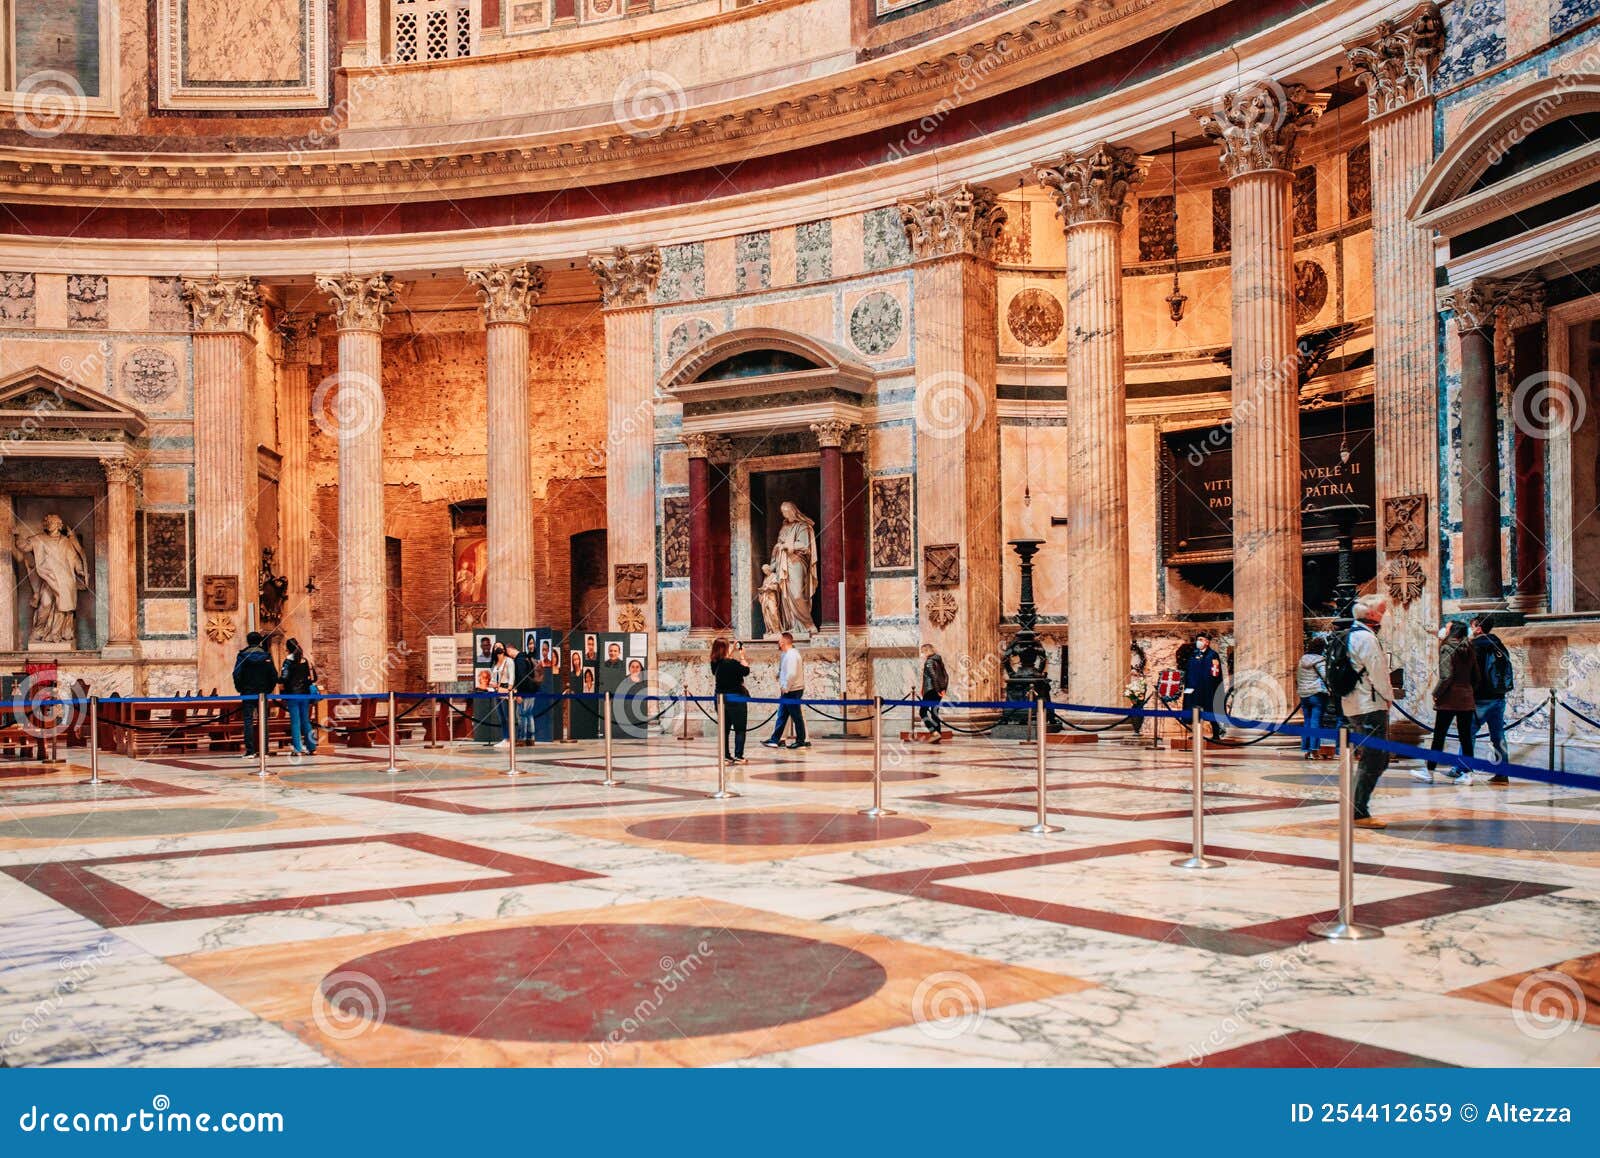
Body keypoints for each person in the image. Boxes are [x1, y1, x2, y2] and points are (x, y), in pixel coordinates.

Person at [1339, 594, 1396, 829]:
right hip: (1369, 705)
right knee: (1375, 758)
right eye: (1382, 611)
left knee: (1375, 757)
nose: (1384, 615)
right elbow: (1379, 673)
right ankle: (1358, 811)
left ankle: (1355, 807)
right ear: (1371, 615)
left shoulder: (1349, 636)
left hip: (1353, 704)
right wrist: (1389, 697)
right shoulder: (1367, 639)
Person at [1424, 620, 1480, 783]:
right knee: (1466, 737)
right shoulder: (1470, 648)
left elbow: (1446, 676)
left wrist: (1436, 692)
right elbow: (1476, 677)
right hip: (1466, 698)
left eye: (1447, 629)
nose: (1444, 631)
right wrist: (1468, 691)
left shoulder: (1447, 648)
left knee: (1439, 736)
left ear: (1453, 632)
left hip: (1449, 698)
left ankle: (1430, 771)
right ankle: (1468, 774)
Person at [1469, 612, 1514, 784]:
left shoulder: (1475, 646)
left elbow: (1471, 673)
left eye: (1472, 626)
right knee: (1498, 736)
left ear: (1478, 628)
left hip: (1480, 698)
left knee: (1469, 734)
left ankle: (1463, 769)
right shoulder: (1499, 645)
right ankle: (1502, 772)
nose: (1471, 630)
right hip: (1498, 697)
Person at [232, 631, 279, 758]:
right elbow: (274, 676)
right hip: (263, 692)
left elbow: (236, 674)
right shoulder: (266, 656)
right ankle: (265, 750)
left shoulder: (242, 656)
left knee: (248, 721)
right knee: (264, 720)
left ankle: (250, 750)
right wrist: (269, 689)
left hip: (248, 692)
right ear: (260, 642)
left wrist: (240, 688)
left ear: (248, 641)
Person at [763, 631, 810, 749]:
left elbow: (792, 674)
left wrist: (786, 688)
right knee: (782, 715)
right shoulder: (788, 654)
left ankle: (801, 741)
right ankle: (775, 739)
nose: (778, 642)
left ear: (783, 642)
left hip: (792, 690)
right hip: (790, 690)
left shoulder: (791, 655)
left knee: (796, 716)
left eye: (779, 640)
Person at [709, 637, 752, 764]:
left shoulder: (714, 662)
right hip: (736, 699)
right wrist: (742, 656)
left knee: (724, 729)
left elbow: (724, 661)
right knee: (740, 728)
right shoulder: (732, 663)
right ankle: (739, 755)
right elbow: (746, 671)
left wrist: (732, 651)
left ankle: (726, 756)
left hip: (720, 698)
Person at [1182, 632, 1226, 740]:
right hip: (1194, 688)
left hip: (1207, 688)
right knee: (1195, 711)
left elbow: (1215, 672)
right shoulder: (1194, 654)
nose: (1199, 642)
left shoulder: (1212, 655)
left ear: (1207, 642)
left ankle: (1216, 733)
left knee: (1210, 710)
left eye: (1201, 639)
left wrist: (1212, 685)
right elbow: (1189, 671)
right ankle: (1196, 733)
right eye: (1198, 639)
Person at [279, 637, 318, 760]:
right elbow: (309, 677)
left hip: (293, 695)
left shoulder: (288, 661)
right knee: (305, 721)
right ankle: (312, 747)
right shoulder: (304, 660)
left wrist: (276, 679)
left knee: (295, 722)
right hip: (305, 694)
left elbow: (284, 678)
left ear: (288, 649)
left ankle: (298, 748)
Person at [1295, 637, 1330, 760]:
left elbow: (1298, 677)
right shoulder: (1320, 661)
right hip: (1317, 694)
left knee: (1307, 722)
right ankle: (1314, 751)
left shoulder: (1302, 660)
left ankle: (1306, 750)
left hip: (1304, 694)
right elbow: (1326, 677)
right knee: (1316, 722)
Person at [920, 643, 948, 742]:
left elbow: (934, 677)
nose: (922, 654)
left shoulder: (929, 662)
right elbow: (946, 676)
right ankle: (938, 735)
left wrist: (937, 690)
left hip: (931, 690)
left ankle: (934, 732)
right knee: (934, 713)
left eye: (922, 652)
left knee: (922, 712)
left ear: (927, 651)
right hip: (938, 691)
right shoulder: (939, 661)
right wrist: (943, 690)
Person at [488, 642, 515, 749]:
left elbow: (512, 677)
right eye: (495, 647)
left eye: (500, 646)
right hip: (496, 690)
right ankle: (505, 738)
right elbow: (493, 679)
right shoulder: (495, 664)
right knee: (501, 716)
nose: (498, 648)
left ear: (503, 648)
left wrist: (508, 689)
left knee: (507, 715)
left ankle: (510, 739)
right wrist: (492, 684)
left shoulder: (509, 661)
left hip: (505, 690)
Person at [512, 642, 540, 742]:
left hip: (524, 691)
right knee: (529, 714)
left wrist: (518, 693)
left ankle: (522, 739)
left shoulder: (519, 660)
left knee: (521, 715)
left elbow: (521, 678)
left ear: (510, 650)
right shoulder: (527, 658)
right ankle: (531, 738)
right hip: (532, 690)